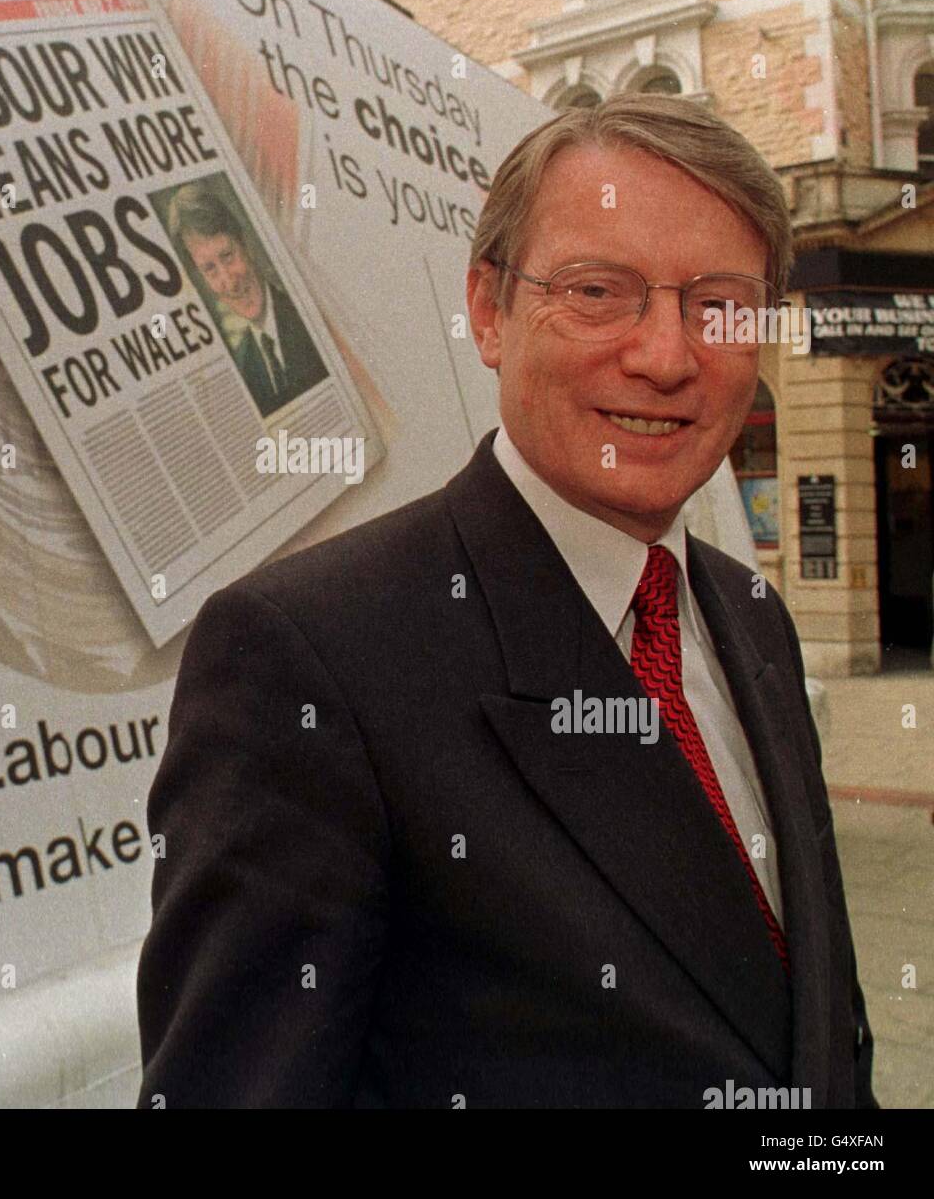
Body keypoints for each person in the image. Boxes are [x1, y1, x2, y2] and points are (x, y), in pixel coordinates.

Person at [136, 95, 876, 1108]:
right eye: (598, 290)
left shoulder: (755, 618)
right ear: (488, 310)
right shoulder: (310, 658)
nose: (666, 355)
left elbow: (821, 1035)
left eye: (718, 306)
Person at [166, 183, 328, 416]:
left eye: (228, 255)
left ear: (246, 245)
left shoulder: (309, 311)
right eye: (210, 269)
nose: (230, 283)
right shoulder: (243, 365)